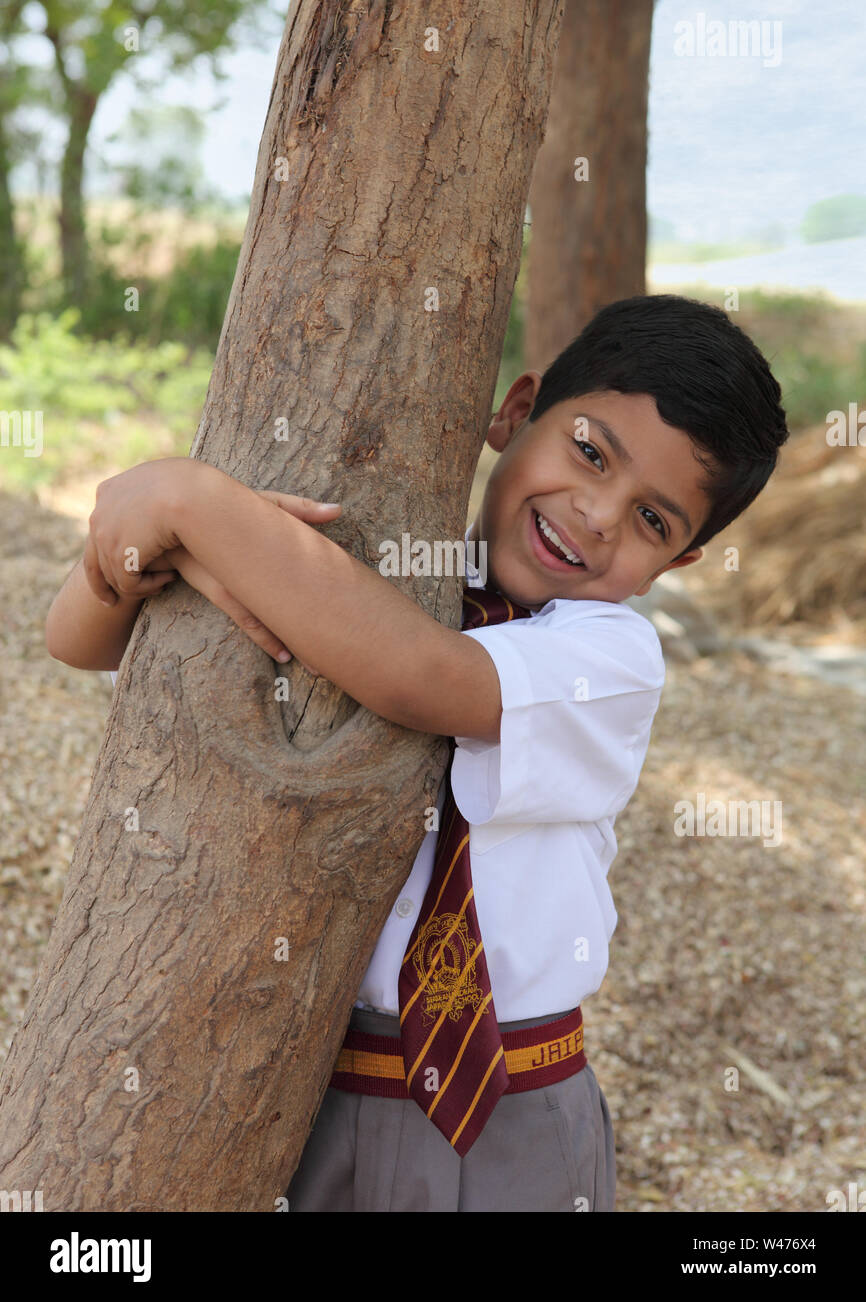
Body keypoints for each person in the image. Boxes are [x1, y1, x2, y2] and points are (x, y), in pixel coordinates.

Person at [46, 292, 789, 1213]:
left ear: (675, 567)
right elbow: (81, 642)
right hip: (301, 1085)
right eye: (590, 452)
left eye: (654, 522)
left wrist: (190, 502)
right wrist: (128, 530)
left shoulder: (611, 658)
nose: (598, 515)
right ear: (515, 413)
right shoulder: (390, 568)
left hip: (516, 1110)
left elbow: (420, 675)